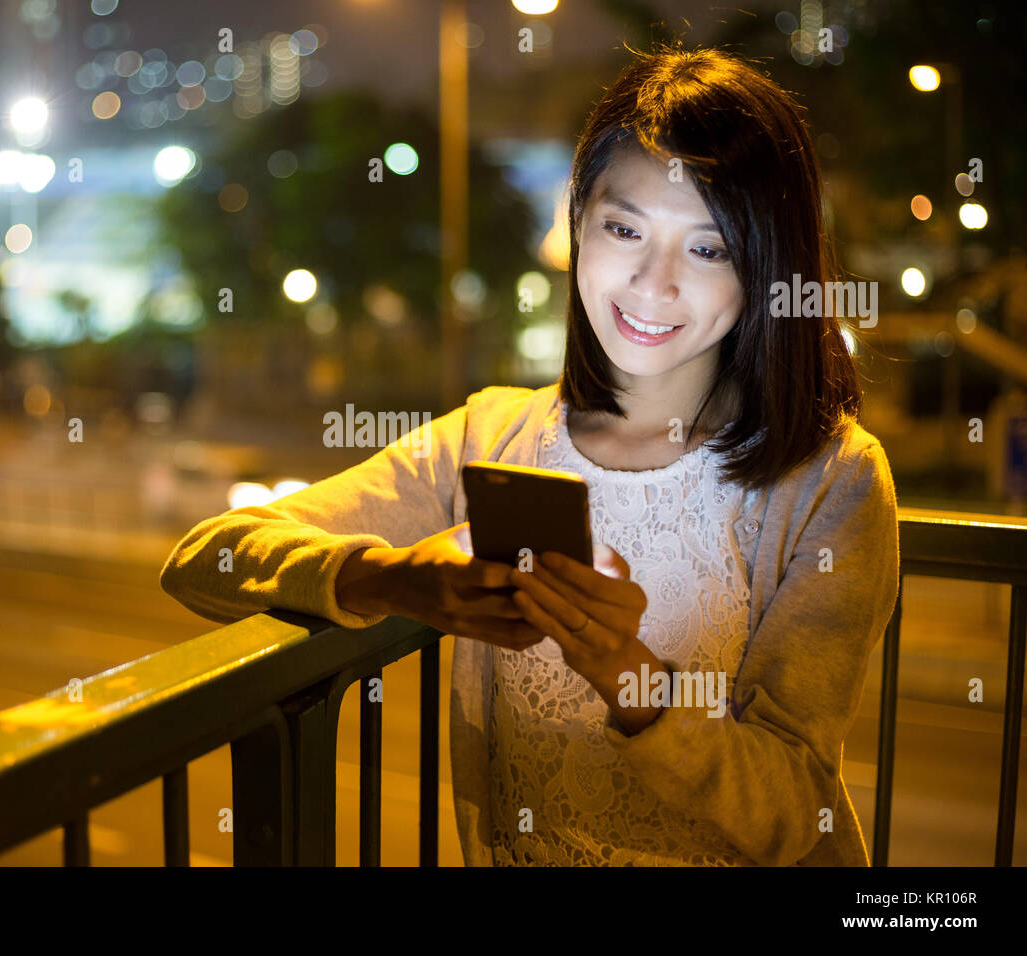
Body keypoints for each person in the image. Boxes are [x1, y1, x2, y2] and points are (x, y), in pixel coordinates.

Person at [160, 45, 900, 867]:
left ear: (767, 265)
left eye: (709, 248)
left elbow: (798, 811)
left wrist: (632, 681)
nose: (653, 285)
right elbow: (206, 559)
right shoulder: (492, 438)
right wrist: (400, 580)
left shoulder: (831, 477)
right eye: (624, 228)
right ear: (575, 224)